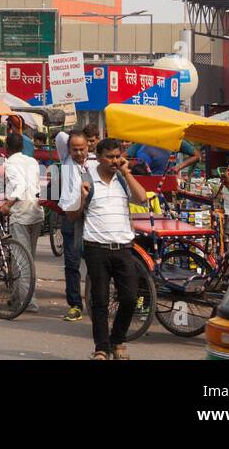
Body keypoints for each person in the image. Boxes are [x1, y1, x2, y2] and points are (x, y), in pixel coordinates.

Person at [63, 138, 148, 360]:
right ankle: (102, 348)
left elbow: (142, 198)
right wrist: (81, 199)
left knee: (129, 298)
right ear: (99, 157)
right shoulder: (86, 180)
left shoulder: (122, 179)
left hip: (123, 247)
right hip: (96, 248)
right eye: (110, 157)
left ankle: (117, 339)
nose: (114, 161)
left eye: (117, 156)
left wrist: (127, 173)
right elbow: (71, 217)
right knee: (99, 300)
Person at [56, 128, 99, 321]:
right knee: (72, 264)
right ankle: (75, 304)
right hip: (71, 217)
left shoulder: (95, 162)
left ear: (88, 147)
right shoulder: (65, 158)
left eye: (82, 148)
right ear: (69, 149)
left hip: (91, 218)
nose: (79, 153)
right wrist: (76, 135)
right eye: (75, 149)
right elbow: (60, 136)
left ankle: (96, 302)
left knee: (94, 263)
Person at [0, 130, 43, 312]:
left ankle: (29, 302)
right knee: (29, 259)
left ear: (6, 148)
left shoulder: (9, 164)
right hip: (36, 213)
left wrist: (7, 205)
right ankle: (17, 298)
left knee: (21, 261)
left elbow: (20, 187)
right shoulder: (32, 161)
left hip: (20, 215)